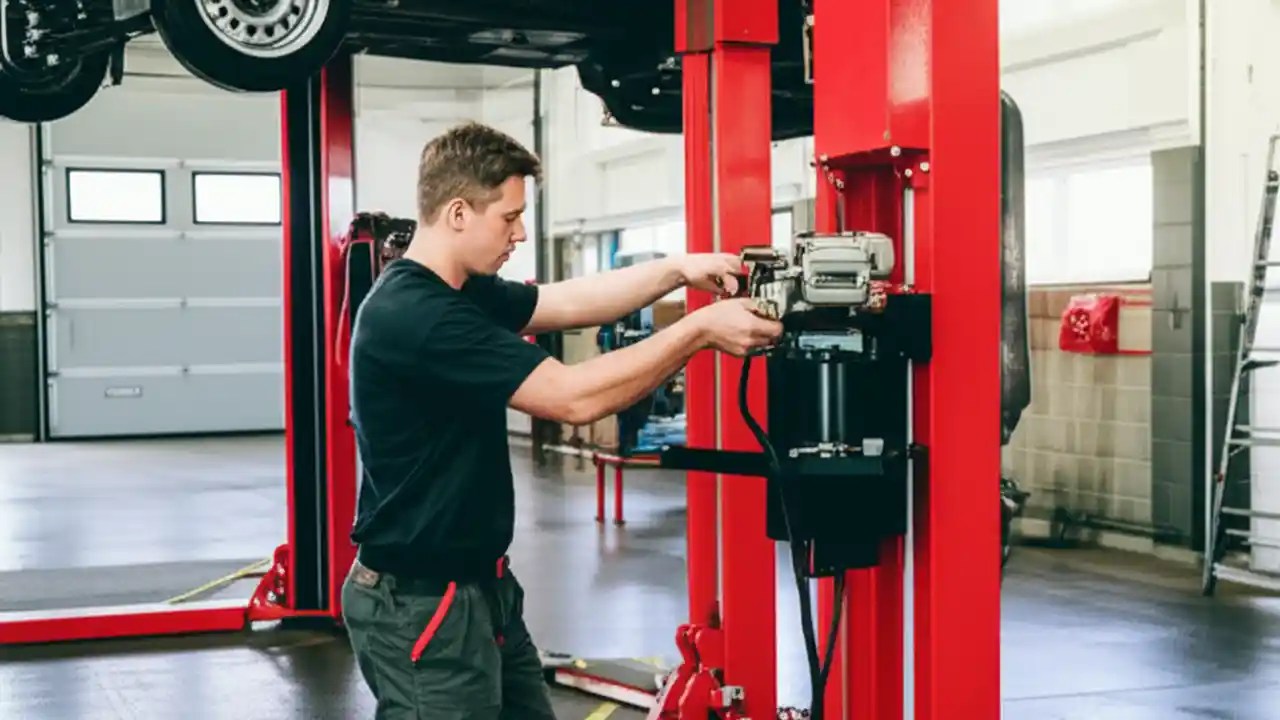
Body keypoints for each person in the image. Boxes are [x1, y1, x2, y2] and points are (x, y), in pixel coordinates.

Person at [341, 121, 783, 719]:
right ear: (458, 213)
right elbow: (573, 397)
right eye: (510, 217)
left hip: (480, 588)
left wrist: (677, 270)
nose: (521, 233)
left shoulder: (458, 291)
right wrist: (699, 330)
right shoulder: (417, 316)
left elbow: (566, 301)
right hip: (424, 602)